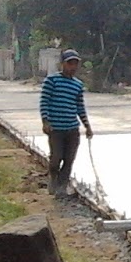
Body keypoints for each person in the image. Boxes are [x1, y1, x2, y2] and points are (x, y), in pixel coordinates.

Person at [39, 50, 92, 197]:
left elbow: (80, 107)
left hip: (72, 129)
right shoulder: (51, 81)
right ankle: (53, 179)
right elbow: (44, 102)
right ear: (62, 64)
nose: (73, 67)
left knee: (69, 159)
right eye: (70, 63)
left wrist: (87, 126)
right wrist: (45, 121)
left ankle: (62, 187)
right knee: (56, 158)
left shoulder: (78, 85)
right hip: (56, 128)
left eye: (75, 63)